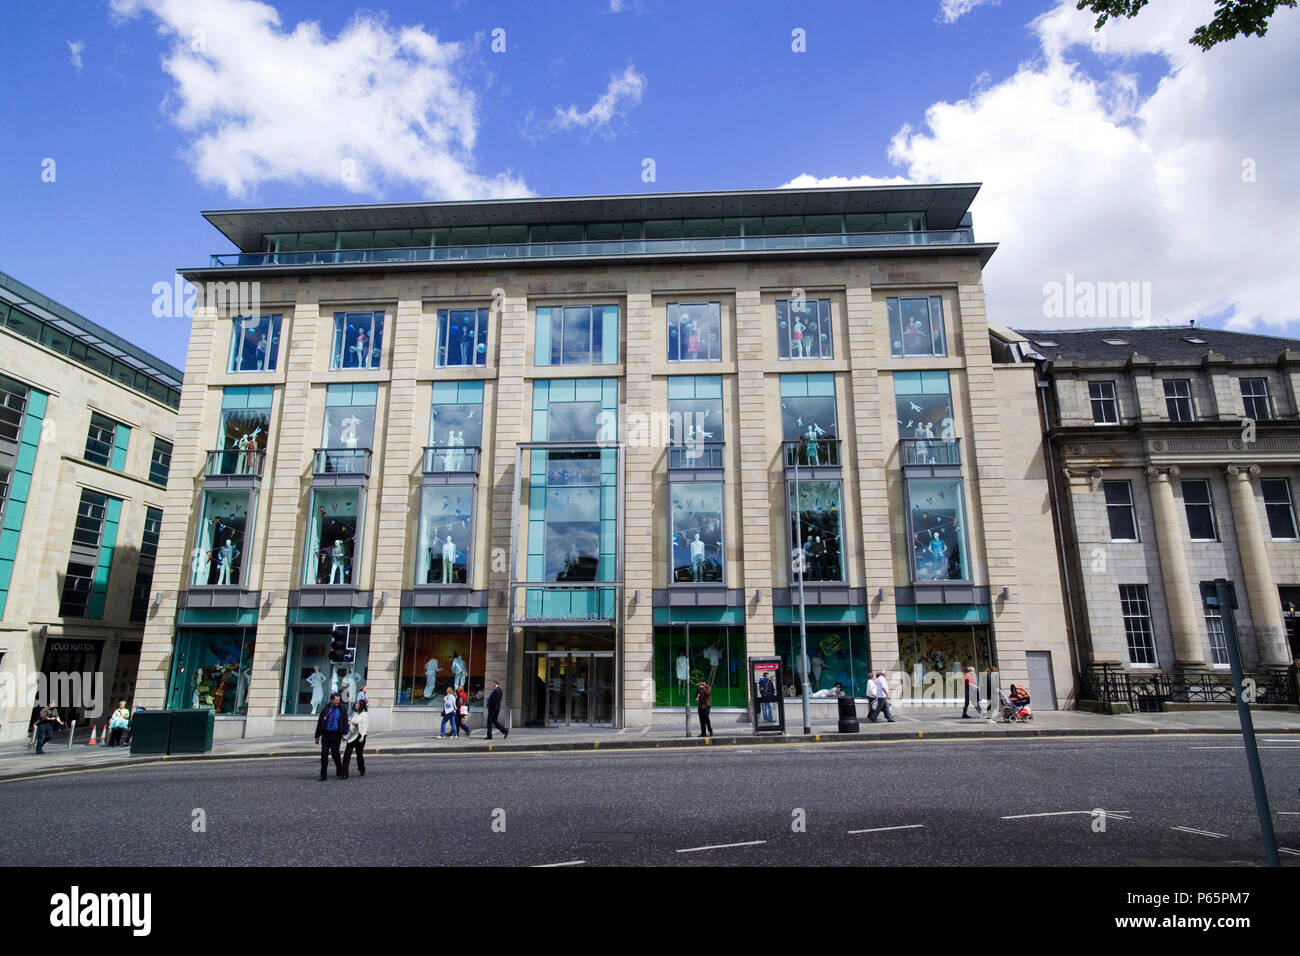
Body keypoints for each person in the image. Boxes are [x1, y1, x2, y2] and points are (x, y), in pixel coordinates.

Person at [314, 692, 349, 781]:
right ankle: (323, 775)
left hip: (336, 735)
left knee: (335, 754)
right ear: (332, 700)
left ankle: (339, 768)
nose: (338, 701)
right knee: (324, 755)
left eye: (339, 700)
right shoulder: (326, 709)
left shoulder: (342, 709)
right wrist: (317, 736)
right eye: (336, 700)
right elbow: (320, 722)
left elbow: (345, 722)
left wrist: (344, 734)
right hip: (326, 735)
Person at [342, 699, 369, 778]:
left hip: (360, 736)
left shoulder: (364, 715)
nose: (356, 705)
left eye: (357, 704)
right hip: (352, 736)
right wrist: (346, 735)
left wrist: (358, 724)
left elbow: (365, 726)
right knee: (347, 754)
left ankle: (362, 769)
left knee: (359, 754)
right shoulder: (354, 713)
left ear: (361, 706)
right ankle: (344, 773)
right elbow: (350, 725)